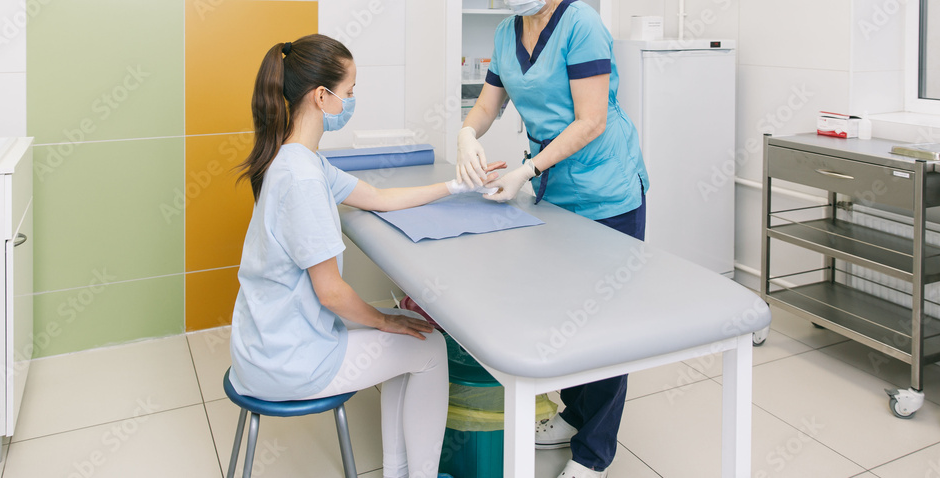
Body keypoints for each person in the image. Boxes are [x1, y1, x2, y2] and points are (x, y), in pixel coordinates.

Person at [229, 34, 500, 478]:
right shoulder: (302, 179)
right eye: (350, 91)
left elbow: (379, 197)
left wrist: (458, 185)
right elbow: (332, 293)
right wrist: (384, 321)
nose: (353, 100)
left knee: (405, 335)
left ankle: (398, 471)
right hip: (286, 362)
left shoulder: (297, 160)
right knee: (427, 343)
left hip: (263, 342)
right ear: (322, 96)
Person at [458, 1, 649, 477]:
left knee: (605, 323)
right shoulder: (507, 32)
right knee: (566, 310)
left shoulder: (581, 24)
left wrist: (526, 170)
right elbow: (488, 104)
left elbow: (591, 120)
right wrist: (467, 133)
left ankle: (594, 452)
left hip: (605, 187)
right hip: (555, 185)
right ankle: (575, 415)